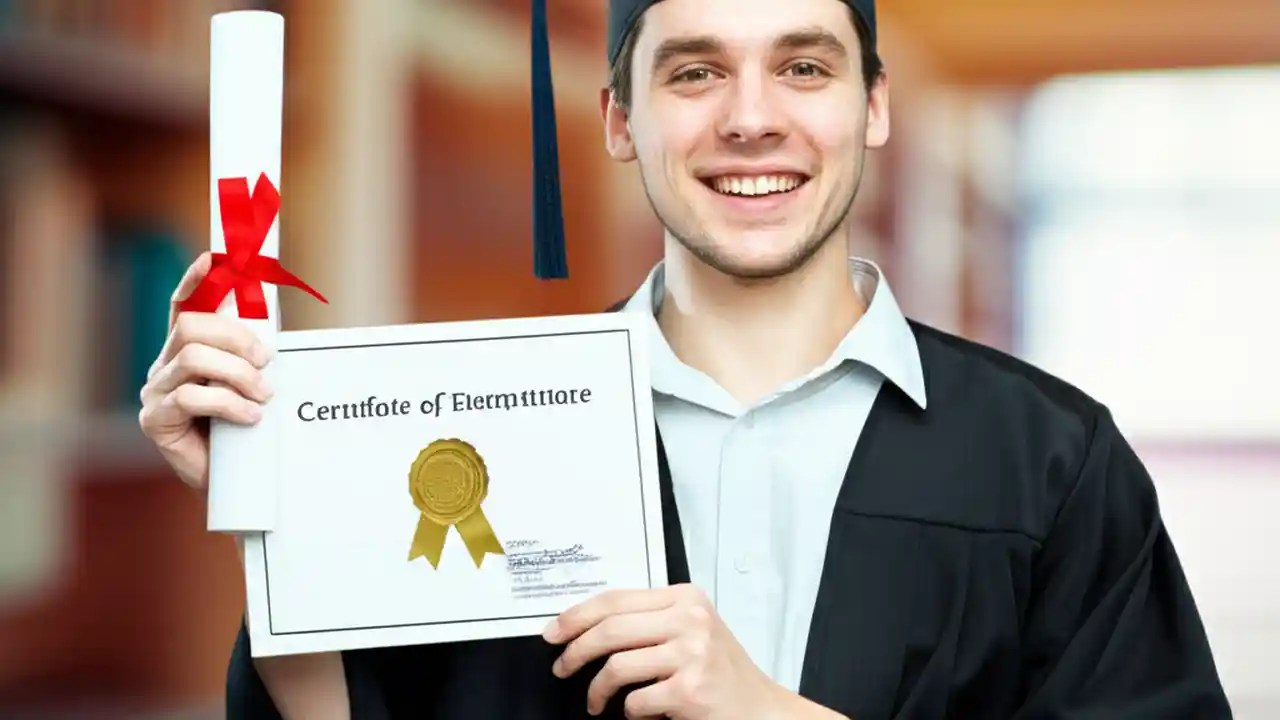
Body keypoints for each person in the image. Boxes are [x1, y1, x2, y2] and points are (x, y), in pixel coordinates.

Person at [139, 0, 1234, 717]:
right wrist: (277, 521)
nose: (749, 119)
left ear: (872, 106)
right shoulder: (475, 431)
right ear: (618, 118)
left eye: (802, 67)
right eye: (694, 72)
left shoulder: (1050, 460)